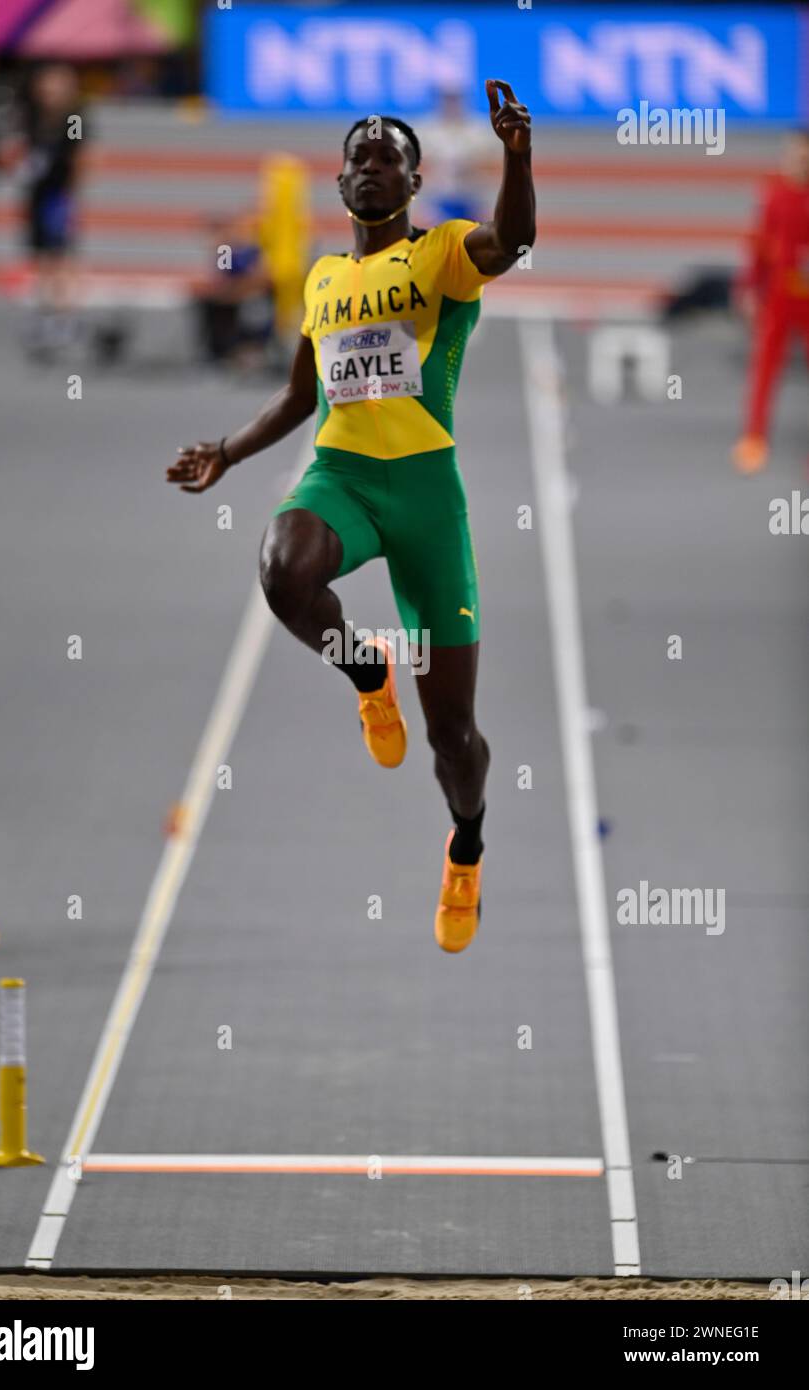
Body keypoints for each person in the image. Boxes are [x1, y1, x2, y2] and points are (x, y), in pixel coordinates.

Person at [167, 80, 536, 954]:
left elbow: (513, 237)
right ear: (339, 186)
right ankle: (367, 674)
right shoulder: (325, 279)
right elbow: (303, 393)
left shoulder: (444, 254)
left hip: (424, 498)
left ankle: (466, 846)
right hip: (341, 474)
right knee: (282, 569)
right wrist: (227, 450)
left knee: (453, 737)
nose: (372, 170)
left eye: (390, 161)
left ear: (412, 184)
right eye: (359, 161)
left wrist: (517, 157)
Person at [0, 64, 89, 357]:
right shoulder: (31, 116)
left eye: (55, 86)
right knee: (39, 257)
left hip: (58, 195)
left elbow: (79, 156)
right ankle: (45, 314)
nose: (49, 92)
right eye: (45, 86)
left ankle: (66, 318)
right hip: (37, 195)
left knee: (61, 258)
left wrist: (69, 196)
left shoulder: (74, 118)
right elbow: (15, 151)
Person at [732, 129, 809, 474]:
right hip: (781, 293)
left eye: (804, 157)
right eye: (794, 155)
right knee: (765, 366)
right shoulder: (774, 195)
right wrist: (750, 287)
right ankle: (755, 436)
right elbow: (760, 245)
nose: (798, 162)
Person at [191, 215, 274, 368]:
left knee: (251, 309)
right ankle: (220, 352)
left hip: (249, 296)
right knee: (209, 306)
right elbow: (222, 280)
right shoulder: (225, 250)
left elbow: (261, 279)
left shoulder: (250, 250)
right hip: (234, 296)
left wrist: (236, 292)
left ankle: (250, 348)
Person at [417, 83, 494, 224]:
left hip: (471, 196)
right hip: (440, 195)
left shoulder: (477, 128)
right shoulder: (428, 128)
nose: (451, 104)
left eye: (455, 99)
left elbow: (490, 164)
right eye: (447, 99)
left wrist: (469, 166)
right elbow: (419, 165)